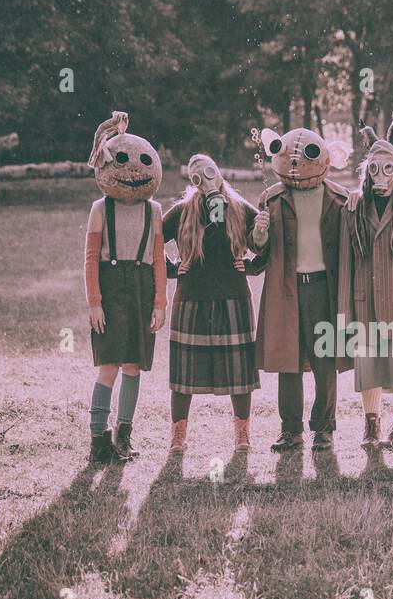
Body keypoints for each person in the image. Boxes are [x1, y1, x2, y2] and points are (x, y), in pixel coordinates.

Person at [250, 125, 354, 451]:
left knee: (325, 362)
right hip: (286, 288)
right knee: (288, 362)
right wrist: (261, 234)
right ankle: (290, 429)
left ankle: (324, 430)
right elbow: (259, 250)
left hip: (324, 289)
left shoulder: (340, 199)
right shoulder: (271, 198)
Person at [338, 113, 393, 451]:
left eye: (388, 168)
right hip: (366, 300)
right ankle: (371, 423)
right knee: (370, 362)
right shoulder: (355, 207)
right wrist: (345, 313)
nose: (381, 175)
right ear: (367, 170)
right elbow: (347, 261)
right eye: (374, 168)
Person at [161, 154, 263, 455]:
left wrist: (254, 264)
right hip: (192, 298)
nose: (205, 178)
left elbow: (265, 240)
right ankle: (178, 437)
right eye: (197, 176)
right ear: (191, 182)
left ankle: (242, 435)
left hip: (233, 298)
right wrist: (170, 268)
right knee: (183, 376)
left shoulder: (240, 207)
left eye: (210, 171)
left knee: (239, 374)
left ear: (219, 173)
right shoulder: (181, 212)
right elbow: (152, 239)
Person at [83, 112, 167, 463]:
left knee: (134, 366)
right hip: (111, 289)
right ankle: (98, 440)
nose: (133, 171)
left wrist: (161, 303)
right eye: (124, 163)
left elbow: (159, 259)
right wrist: (94, 303)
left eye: (141, 164)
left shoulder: (155, 210)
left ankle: (124, 435)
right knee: (110, 365)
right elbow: (90, 259)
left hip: (142, 290)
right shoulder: (100, 209)